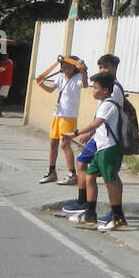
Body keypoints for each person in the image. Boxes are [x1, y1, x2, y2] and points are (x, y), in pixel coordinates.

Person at [61, 54, 124, 218]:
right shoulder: (104, 87)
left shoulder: (113, 90)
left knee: (111, 179)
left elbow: (102, 120)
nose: (103, 70)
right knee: (86, 169)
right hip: (100, 137)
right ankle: (87, 209)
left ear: (114, 68)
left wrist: (85, 132)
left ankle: (116, 214)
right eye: (101, 67)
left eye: (106, 67)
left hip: (107, 140)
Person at [36, 56, 87, 184]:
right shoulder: (59, 78)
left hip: (69, 116)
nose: (66, 68)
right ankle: (52, 172)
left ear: (74, 68)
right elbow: (50, 90)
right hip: (57, 115)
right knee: (53, 143)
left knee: (64, 144)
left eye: (69, 66)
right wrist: (41, 84)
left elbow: (85, 85)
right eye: (64, 65)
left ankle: (72, 174)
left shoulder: (77, 78)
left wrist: (83, 71)